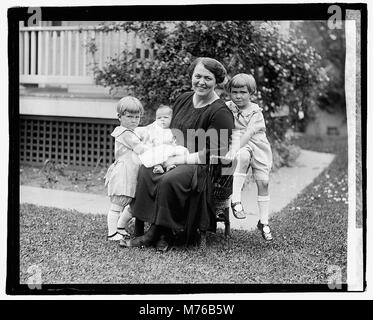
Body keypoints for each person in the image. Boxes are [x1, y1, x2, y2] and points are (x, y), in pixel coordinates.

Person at [120, 57, 235, 251]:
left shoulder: (220, 112)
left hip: (201, 167)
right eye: (197, 76)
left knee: (169, 179)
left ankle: (153, 233)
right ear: (191, 76)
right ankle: (162, 233)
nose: (201, 82)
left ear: (217, 81)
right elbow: (169, 132)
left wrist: (178, 159)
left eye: (208, 78)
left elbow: (215, 152)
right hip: (172, 154)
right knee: (147, 170)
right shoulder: (183, 99)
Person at [225, 73, 273, 241]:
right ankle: (236, 200)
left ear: (251, 93)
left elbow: (249, 132)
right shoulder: (227, 106)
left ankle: (264, 222)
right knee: (243, 157)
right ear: (229, 92)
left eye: (243, 92)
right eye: (234, 92)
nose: (238, 96)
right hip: (240, 144)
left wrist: (234, 149)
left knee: (263, 182)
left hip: (257, 145)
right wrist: (234, 148)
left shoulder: (255, 112)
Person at [104, 96, 149, 241]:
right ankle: (112, 233)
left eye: (137, 117)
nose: (134, 120)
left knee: (130, 203)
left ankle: (120, 227)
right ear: (119, 117)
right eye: (129, 116)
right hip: (123, 174)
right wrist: (155, 150)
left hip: (131, 173)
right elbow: (141, 149)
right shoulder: (124, 133)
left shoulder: (131, 131)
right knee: (117, 204)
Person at [136, 104, 189, 174]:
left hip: (169, 151)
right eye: (159, 118)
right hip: (158, 150)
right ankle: (158, 167)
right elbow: (145, 131)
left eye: (165, 117)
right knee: (153, 155)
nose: (162, 120)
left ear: (172, 119)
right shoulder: (154, 129)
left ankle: (169, 166)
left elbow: (176, 142)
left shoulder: (172, 130)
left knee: (178, 152)